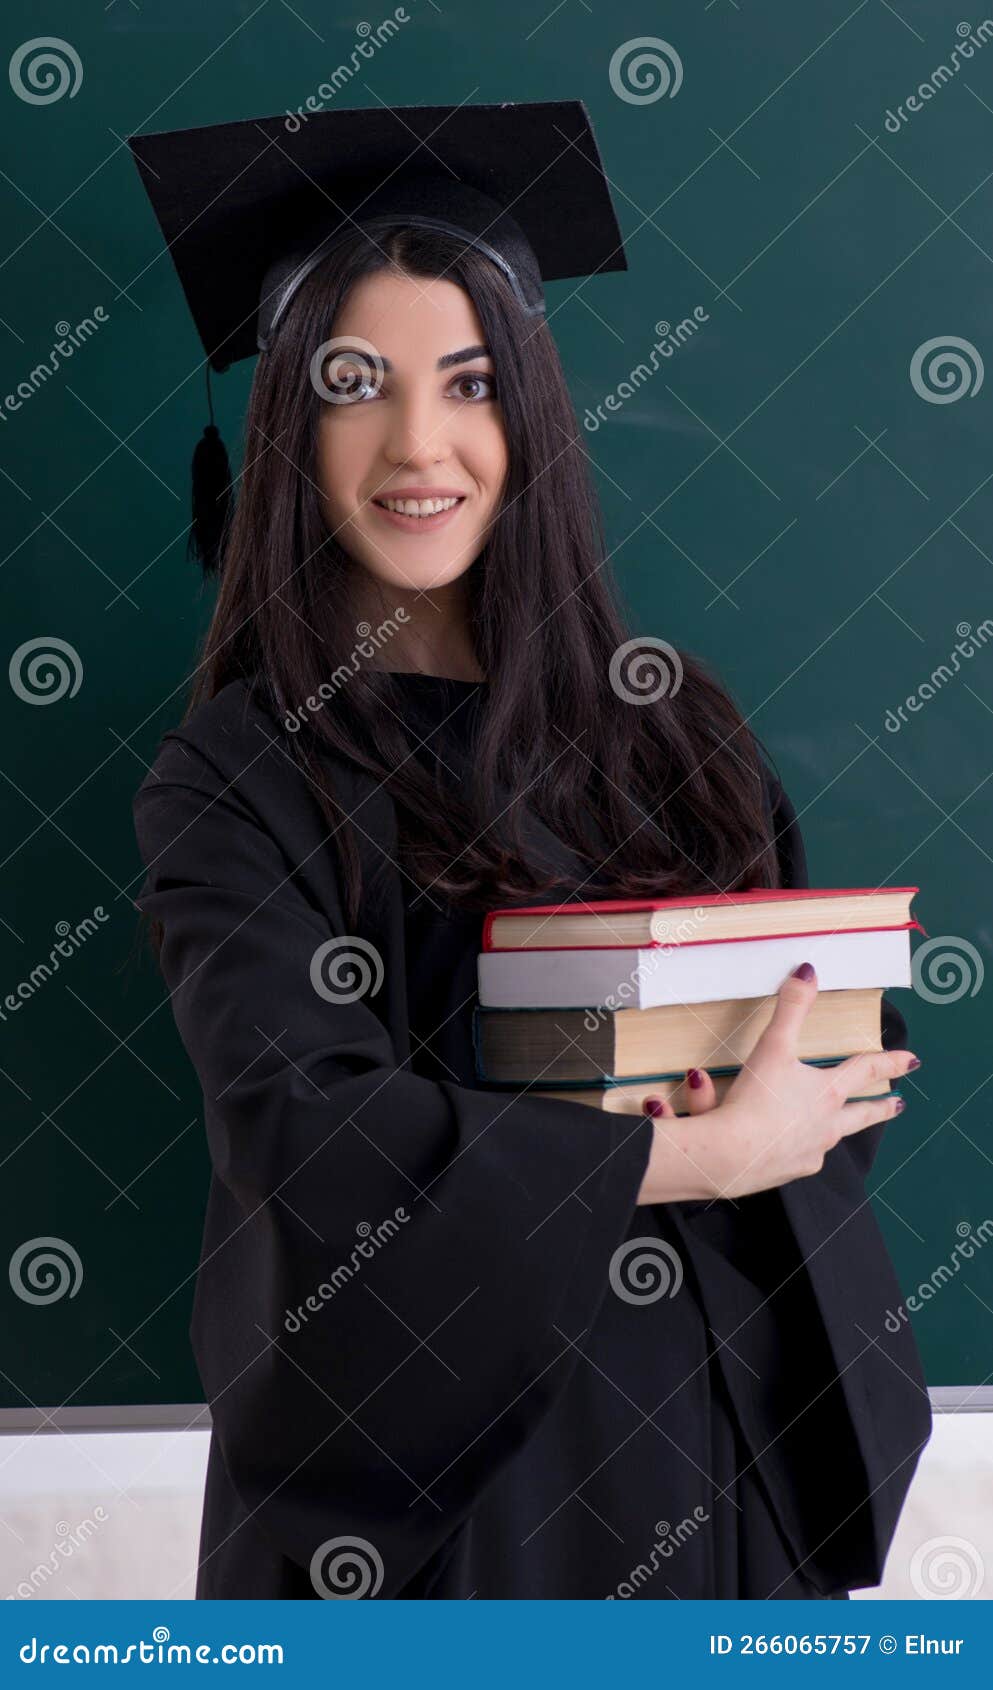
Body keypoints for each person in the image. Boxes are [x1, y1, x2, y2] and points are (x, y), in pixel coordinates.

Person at [129, 100, 932, 1600]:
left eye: (473, 383)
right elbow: (308, 1143)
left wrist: (801, 1090)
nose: (417, 445)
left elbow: (804, 1080)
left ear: (534, 416)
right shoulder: (242, 773)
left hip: (711, 1470)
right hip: (449, 1522)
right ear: (289, 425)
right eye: (354, 386)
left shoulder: (673, 730)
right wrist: (696, 1154)